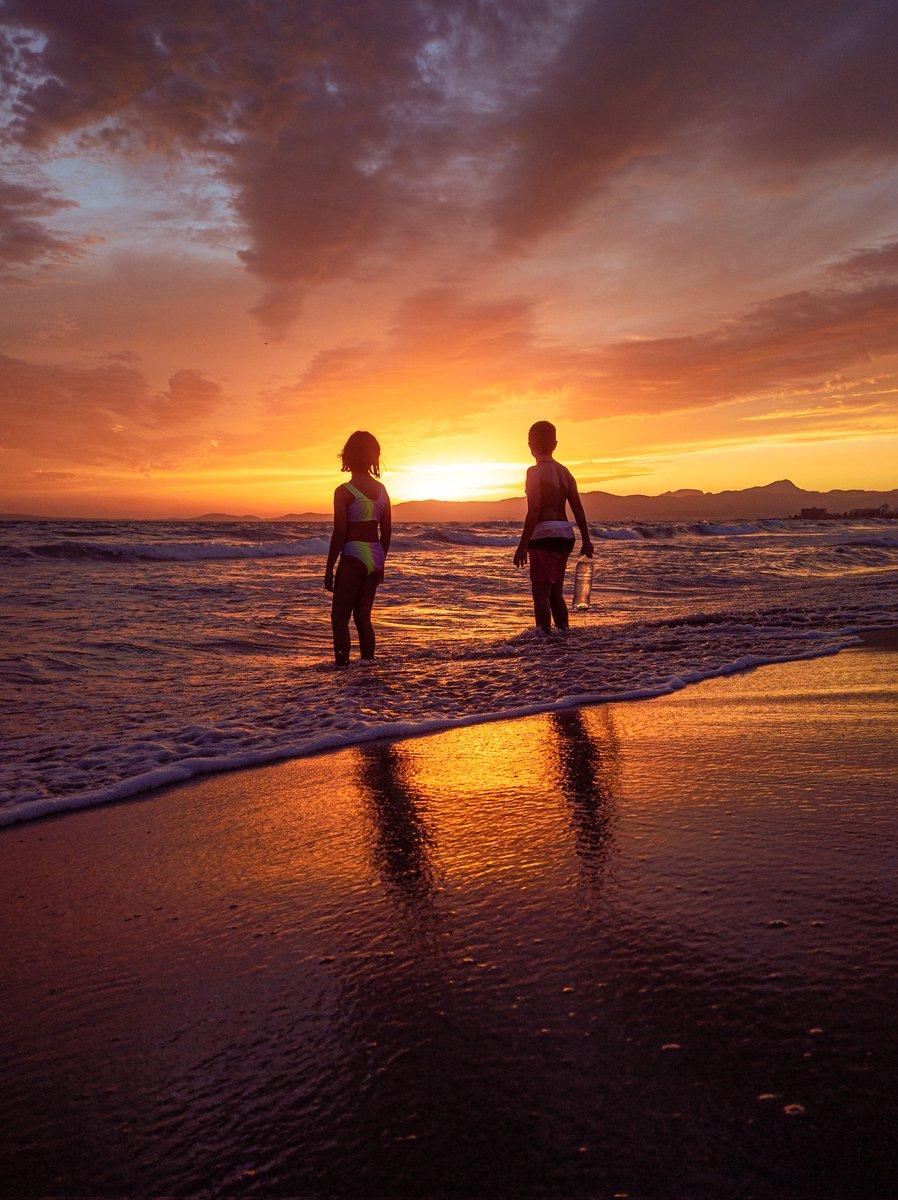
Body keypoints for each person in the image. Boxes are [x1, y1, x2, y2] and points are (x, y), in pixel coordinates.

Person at [513, 421, 593, 633]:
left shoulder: (534, 472)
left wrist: (522, 546)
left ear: (530, 445)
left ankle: (543, 641)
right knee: (556, 593)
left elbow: (534, 510)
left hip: (544, 535)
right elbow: (578, 509)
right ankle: (564, 635)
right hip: (565, 535)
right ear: (555, 445)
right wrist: (586, 540)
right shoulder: (565, 473)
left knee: (540, 594)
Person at [325, 430, 391, 666]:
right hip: (375, 554)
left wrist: (329, 568)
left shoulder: (344, 491)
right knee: (363, 617)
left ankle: (342, 670)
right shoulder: (382, 491)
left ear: (348, 456)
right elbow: (387, 531)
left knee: (339, 618)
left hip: (353, 554)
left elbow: (340, 533)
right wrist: (381, 562)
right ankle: (367, 668)